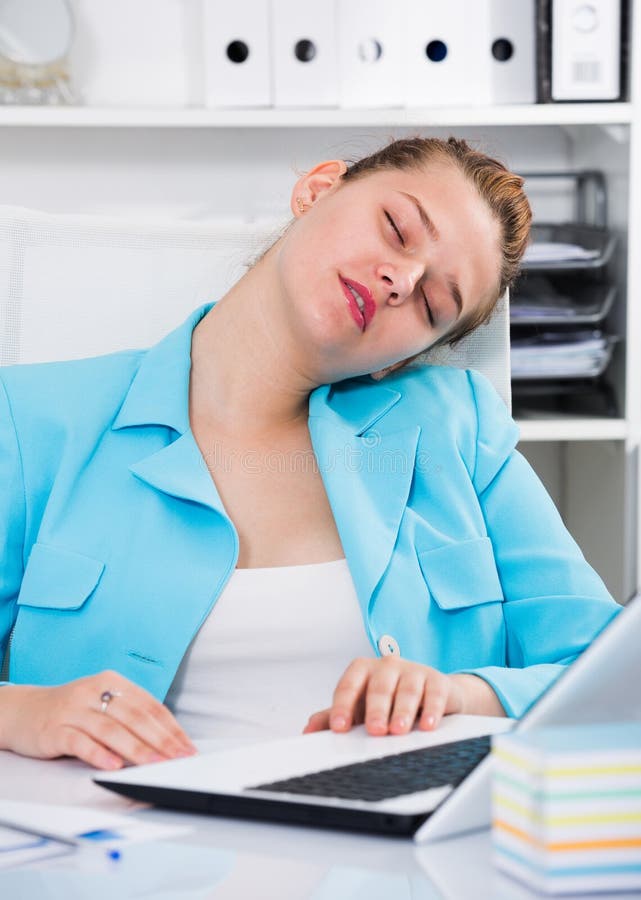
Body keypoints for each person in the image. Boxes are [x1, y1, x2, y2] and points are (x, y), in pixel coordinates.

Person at [0, 137, 619, 772]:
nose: (401, 280)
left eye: (435, 305)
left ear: (403, 359)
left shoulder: (459, 430)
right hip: (113, 852)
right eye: (396, 228)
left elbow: (609, 677)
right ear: (317, 191)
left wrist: (463, 695)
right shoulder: (34, 419)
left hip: (389, 854)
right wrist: (24, 714)